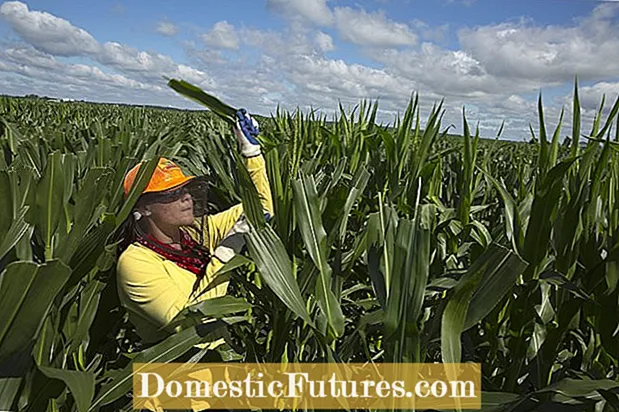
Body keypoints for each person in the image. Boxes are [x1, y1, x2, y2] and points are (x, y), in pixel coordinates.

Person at [115, 109, 273, 348]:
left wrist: (251, 152)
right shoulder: (135, 264)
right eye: (172, 194)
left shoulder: (196, 233)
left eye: (185, 189)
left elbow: (261, 211)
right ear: (144, 208)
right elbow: (192, 323)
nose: (186, 198)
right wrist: (226, 252)